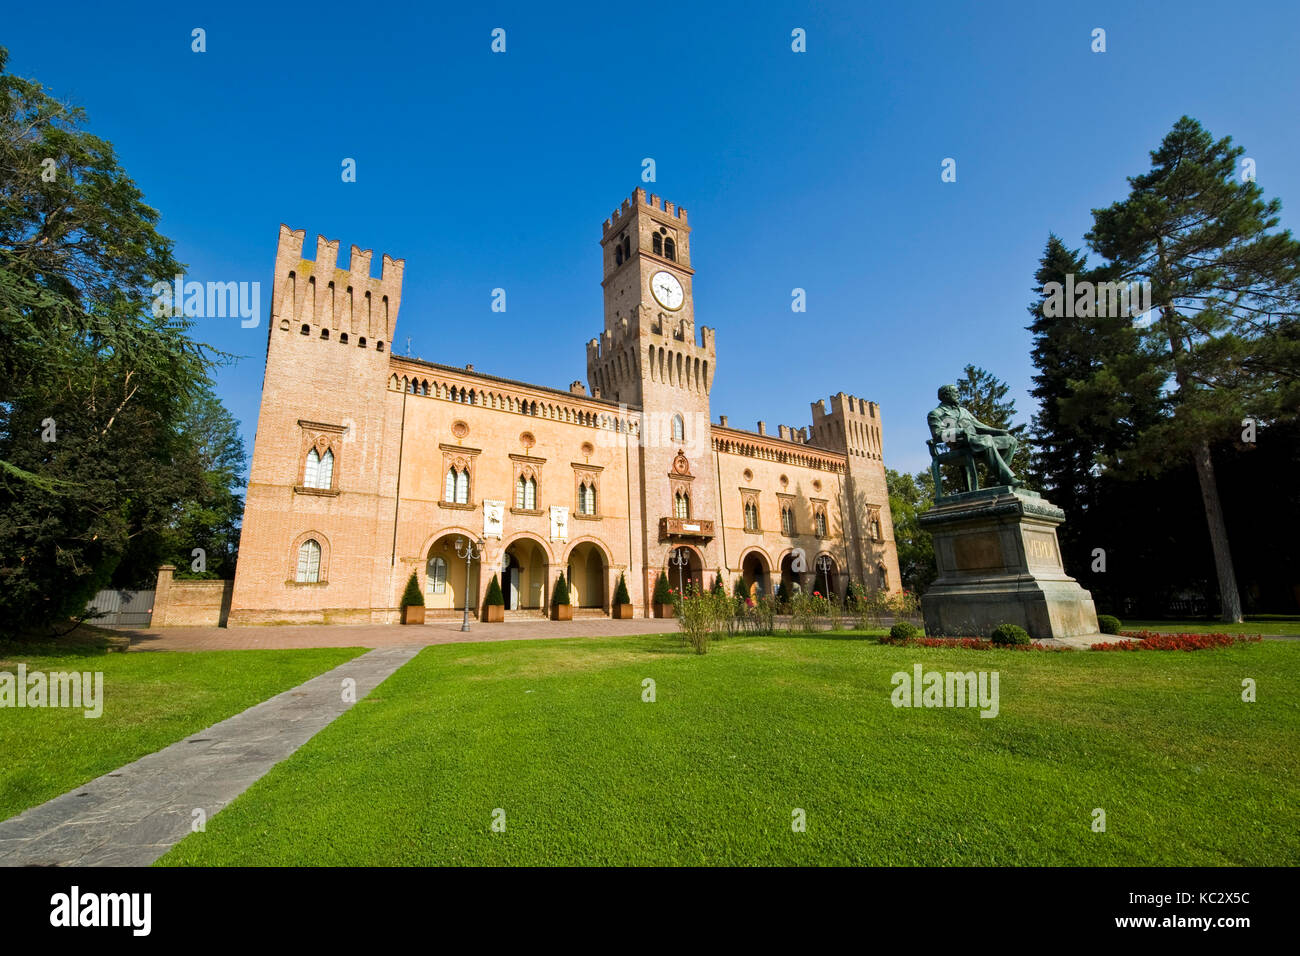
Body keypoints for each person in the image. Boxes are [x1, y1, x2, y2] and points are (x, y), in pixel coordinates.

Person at [926, 384, 1020, 488]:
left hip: (976, 440)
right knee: (986, 440)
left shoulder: (963, 411)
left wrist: (1000, 432)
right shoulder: (936, 413)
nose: (958, 394)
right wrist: (960, 431)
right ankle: (1007, 478)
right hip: (958, 444)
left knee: (1010, 441)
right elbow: (938, 435)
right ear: (946, 395)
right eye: (955, 392)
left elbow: (980, 426)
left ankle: (996, 478)